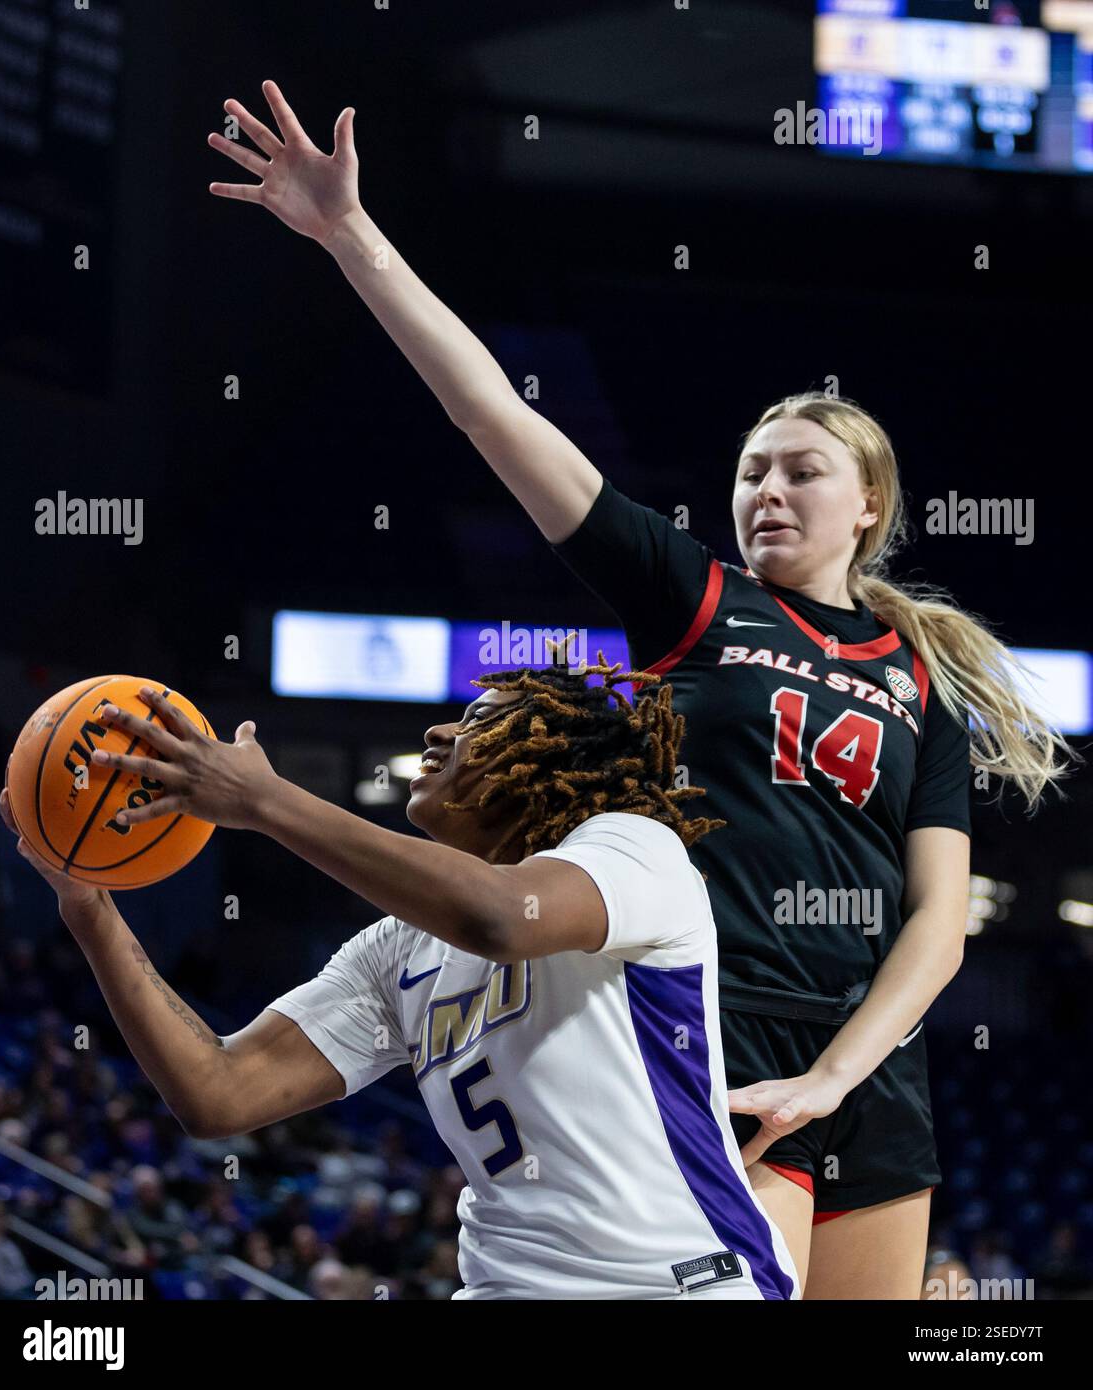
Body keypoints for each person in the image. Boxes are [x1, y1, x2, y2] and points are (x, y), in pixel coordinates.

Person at [202, 81, 1078, 1297]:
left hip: (868, 1065)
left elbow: (937, 919)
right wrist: (352, 235)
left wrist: (842, 1074)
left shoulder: (917, 677)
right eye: (750, 470)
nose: (767, 489)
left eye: (801, 471)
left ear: (868, 505)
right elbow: (494, 417)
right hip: (715, 1025)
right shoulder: (697, 597)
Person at [0, 657, 799, 1301]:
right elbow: (218, 1092)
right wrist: (88, 907)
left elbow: (501, 917)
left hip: (680, 1284)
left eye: (482, 725)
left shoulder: (634, 848)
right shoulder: (399, 950)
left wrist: (267, 800)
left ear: (551, 759)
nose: (439, 730)